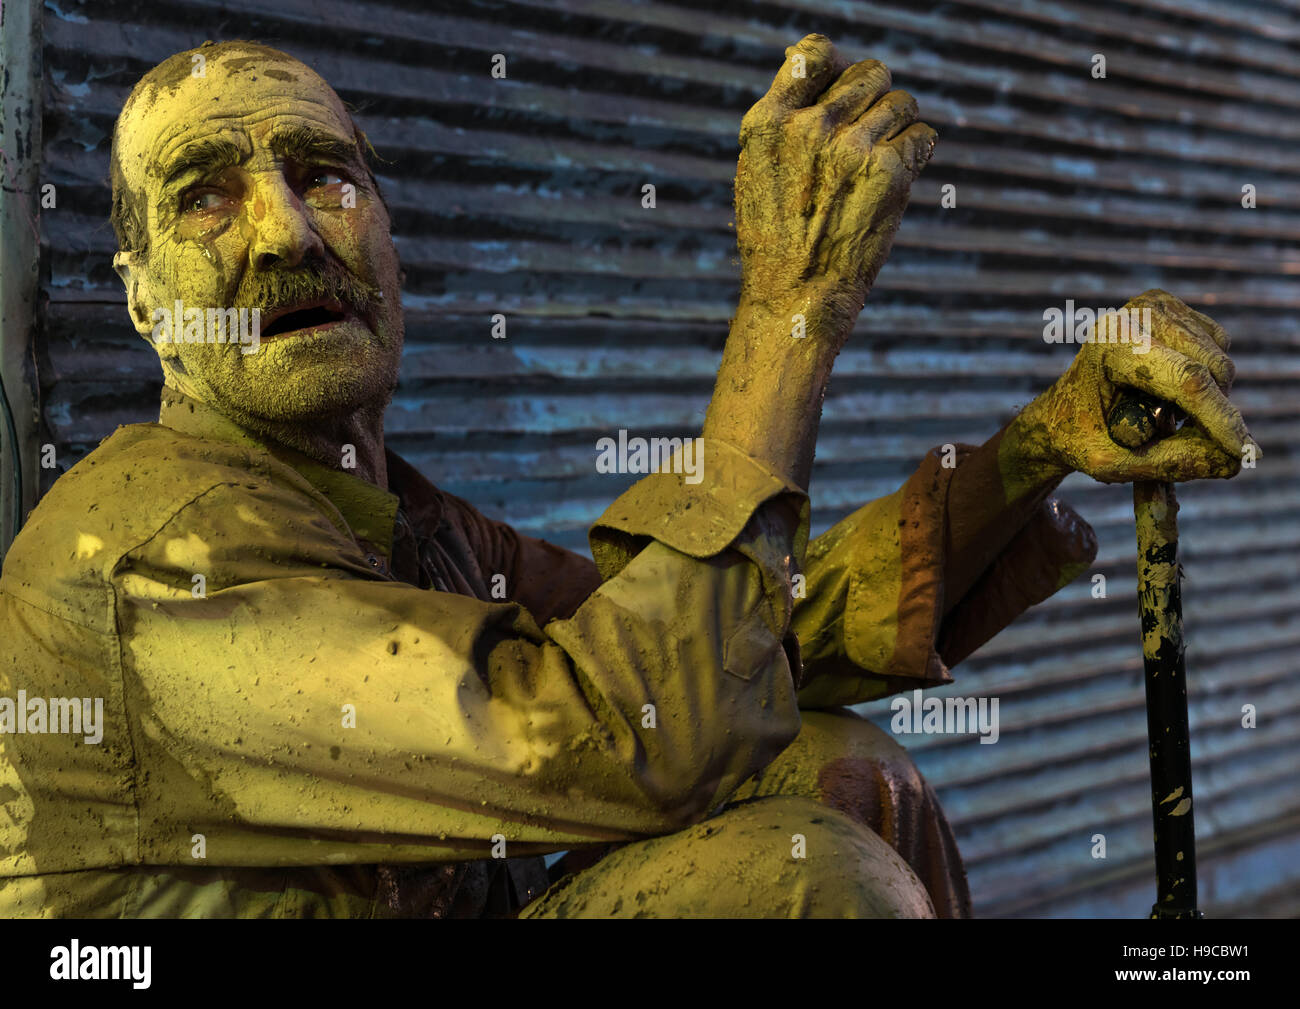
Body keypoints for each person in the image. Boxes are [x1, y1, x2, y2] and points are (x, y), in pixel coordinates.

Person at [0, 35, 1252, 918]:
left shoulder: (394, 518)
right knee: (807, 876)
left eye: (325, 174)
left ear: (387, 229)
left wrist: (1041, 445)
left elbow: (745, 641)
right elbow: (618, 740)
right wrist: (792, 310)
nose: (291, 233)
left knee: (840, 766)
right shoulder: (157, 556)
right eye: (207, 200)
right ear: (145, 304)